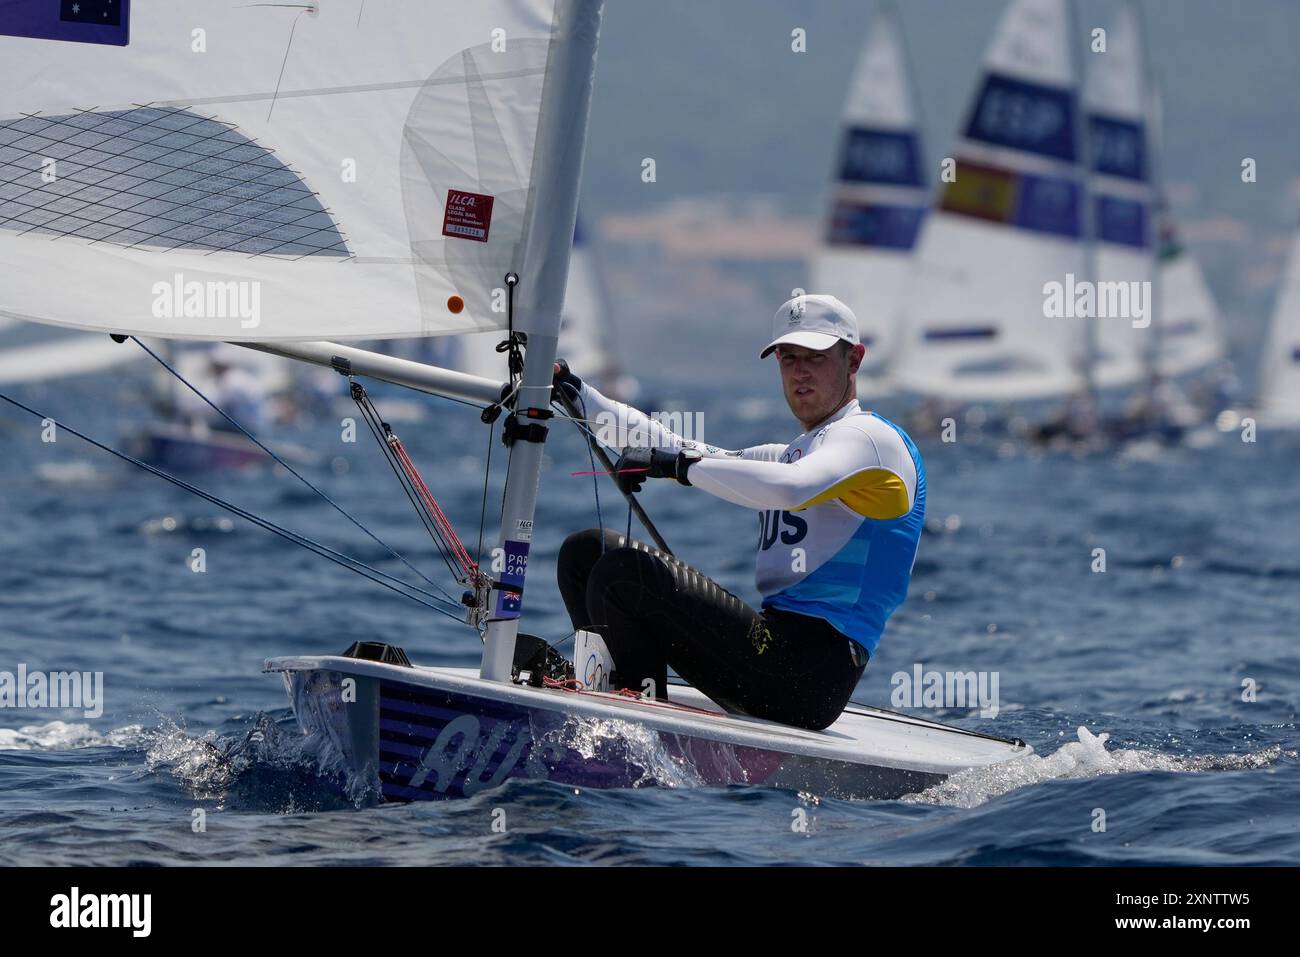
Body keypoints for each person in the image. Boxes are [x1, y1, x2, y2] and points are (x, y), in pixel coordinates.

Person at [553, 294, 925, 731]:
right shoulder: (788, 455)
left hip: (811, 676)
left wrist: (680, 468)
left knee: (624, 571)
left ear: (854, 359)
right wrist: (578, 395)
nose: (800, 371)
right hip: (773, 650)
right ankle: (611, 693)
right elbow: (677, 445)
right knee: (586, 552)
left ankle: (631, 728)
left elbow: (792, 488)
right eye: (789, 358)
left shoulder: (871, 439)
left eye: (816, 358)